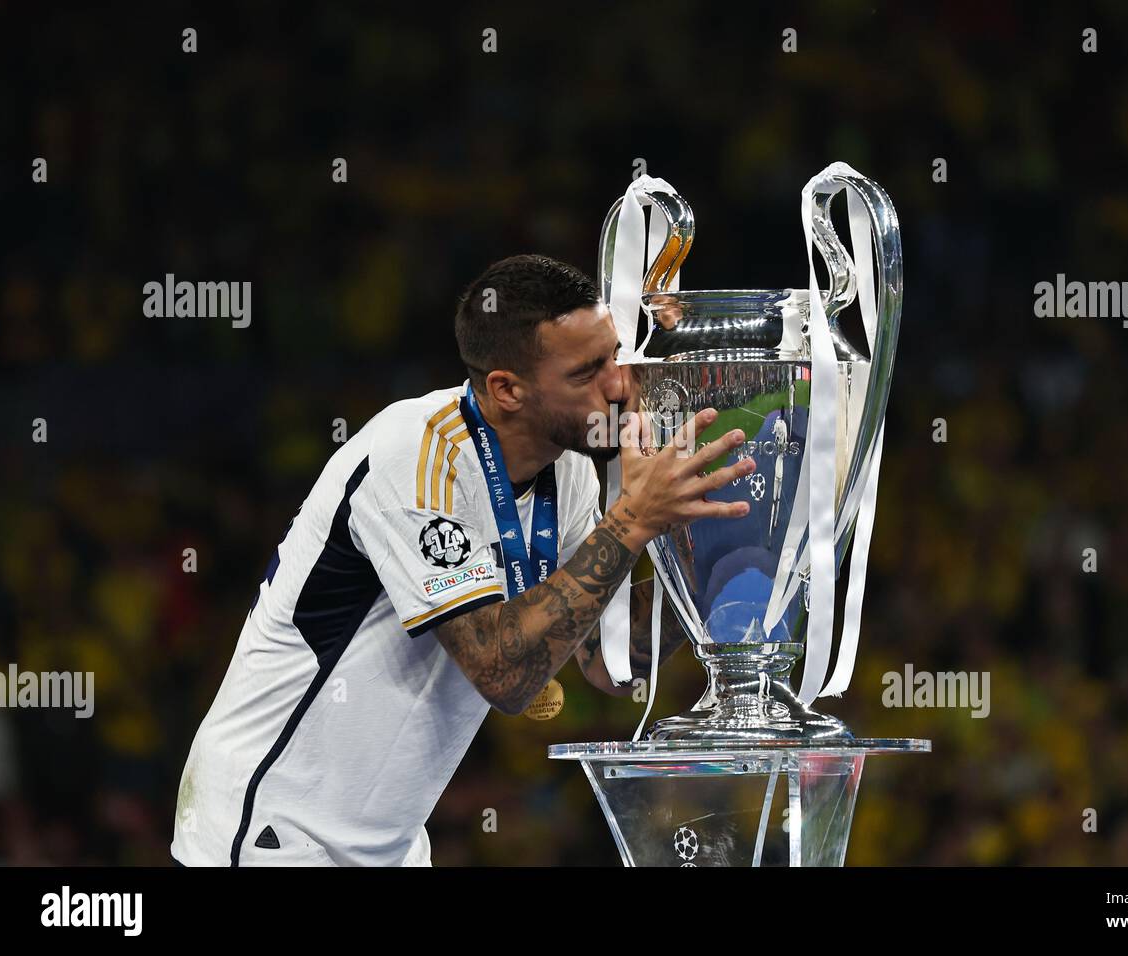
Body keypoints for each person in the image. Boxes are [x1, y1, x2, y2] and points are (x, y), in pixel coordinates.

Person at [170, 254, 755, 866]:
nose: (618, 385)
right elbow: (502, 672)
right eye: (586, 372)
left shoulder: (571, 469)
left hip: (389, 843)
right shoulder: (416, 458)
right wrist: (633, 521)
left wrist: (705, 554)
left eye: (614, 356)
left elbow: (611, 666)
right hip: (273, 831)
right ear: (506, 389)